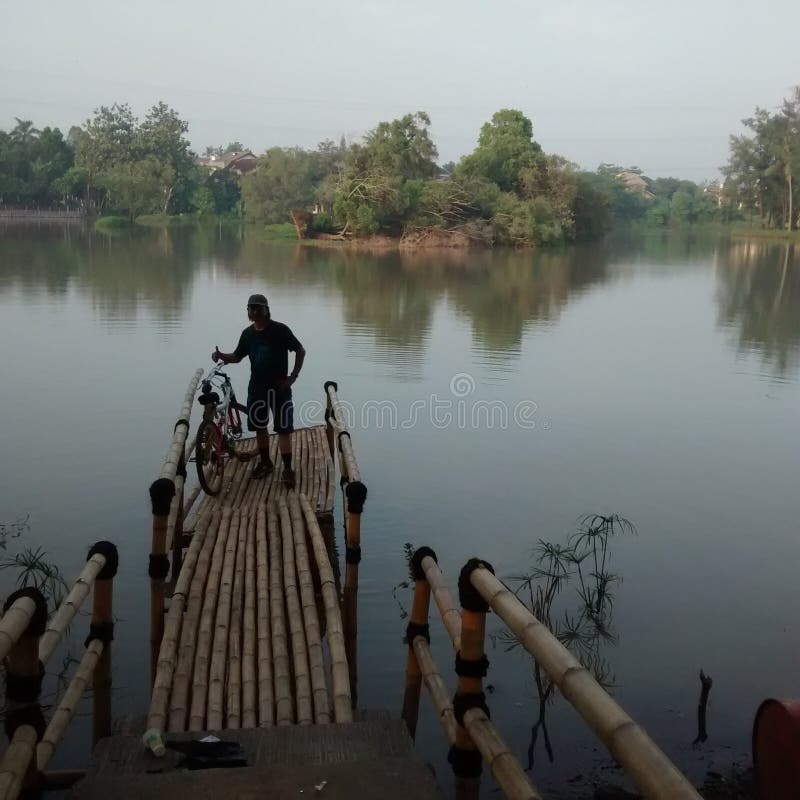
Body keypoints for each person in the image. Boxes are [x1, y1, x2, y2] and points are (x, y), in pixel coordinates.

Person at [212, 293, 306, 485]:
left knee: (283, 430)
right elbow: (237, 357)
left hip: (280, 388)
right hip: (257, 389)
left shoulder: (280, 330)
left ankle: (287, 469)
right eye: (250, 308)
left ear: (266, 310)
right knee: (259, 427)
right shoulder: (248, 334)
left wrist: (292, 377)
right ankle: (266, 463)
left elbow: (300, 350)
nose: (254, 311)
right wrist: (221, 355)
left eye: (258, 308)